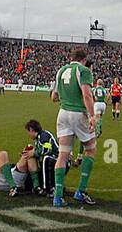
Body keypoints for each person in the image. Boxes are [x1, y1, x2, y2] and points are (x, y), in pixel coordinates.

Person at [51, 47, 98, 207]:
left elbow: (54, 97)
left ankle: (57, 197)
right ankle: (81, 191)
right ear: (84, 59)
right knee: (91, 149)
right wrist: (92, 116)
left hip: (63, 113)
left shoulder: (61, 70)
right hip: (78, 114)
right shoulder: (83, 70)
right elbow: (87, 94)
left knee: (63, 155)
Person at [23, 119, 59, 195]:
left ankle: (48, 189)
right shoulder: (39, 138)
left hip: (57, 159)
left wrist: (33, 153)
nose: (28, 134)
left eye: (28, 131)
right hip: (55, 160)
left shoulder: (44, 136)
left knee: (46, 159)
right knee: (41, 159)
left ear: (32, 130)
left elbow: (46, 150)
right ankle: (39, 186)